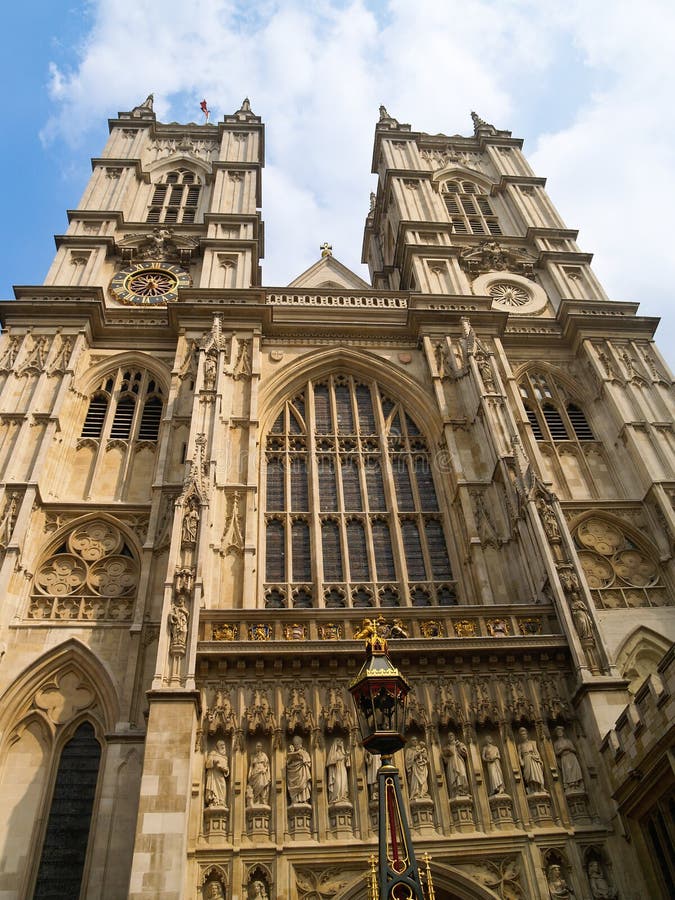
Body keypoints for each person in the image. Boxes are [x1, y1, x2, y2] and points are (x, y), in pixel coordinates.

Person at [552, 726, 584, 792]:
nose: (559, 733)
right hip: (564, 758)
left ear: (563, 732)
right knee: (567, 771)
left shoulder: (568, 741)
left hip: (571, 757)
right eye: (558, 732)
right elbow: (556, 753)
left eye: (560, 731)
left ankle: (576, 785)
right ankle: (570, 786)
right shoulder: (556, 743)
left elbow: (574, 750)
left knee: (574, 770)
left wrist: (569, 748)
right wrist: (562, 749)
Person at [517, 727, 545, 793]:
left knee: (536, 774)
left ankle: (539, 788)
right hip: (526, 759)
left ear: (527, 735)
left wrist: (539, 759)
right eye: (522, 735)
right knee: (529, 776)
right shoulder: (520, 745)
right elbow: (519, 755)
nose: (523, 736)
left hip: (533, 759)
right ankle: (532, 789)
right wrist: (521, 761)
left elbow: (536, 751)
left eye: (524, 734)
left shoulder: (533, 742)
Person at [286, 735, 312, 804]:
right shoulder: (292, 752)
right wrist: (291, 756)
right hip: (293, 773)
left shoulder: (304, 753)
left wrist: (301, 758)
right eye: (295, 744)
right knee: (294, 784)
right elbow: (288, 763)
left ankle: (304, 799)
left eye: (297, 744)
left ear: (300, 744)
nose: (296, 746)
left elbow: (308, 763)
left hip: (302, 772)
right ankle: (295, 800)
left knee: (303, 785)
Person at [204, 739, 229, 807]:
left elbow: (227, 769)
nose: (223, 746)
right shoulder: (213, 753)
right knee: (213, 788)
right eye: (221, 745)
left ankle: (221, 801)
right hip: (213, 775)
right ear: (217, 746)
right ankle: (213, 800)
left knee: (223, 786)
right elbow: (207, 764)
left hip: (220, 775)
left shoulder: (225, 757)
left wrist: (223, 769)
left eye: (223, 745)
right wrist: (214, 761)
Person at [326, 737, 350, 803]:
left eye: (341, 741)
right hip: (336, 771)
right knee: (338, 783)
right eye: (338, 741)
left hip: (343, 769)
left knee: (343, 784)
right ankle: (335, 797)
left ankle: (343, 797)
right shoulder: (334, 753)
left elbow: (347, 763)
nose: (341, 742)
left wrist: (347, 755)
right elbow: (331, 761)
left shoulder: (343, 753)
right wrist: (343, 756)